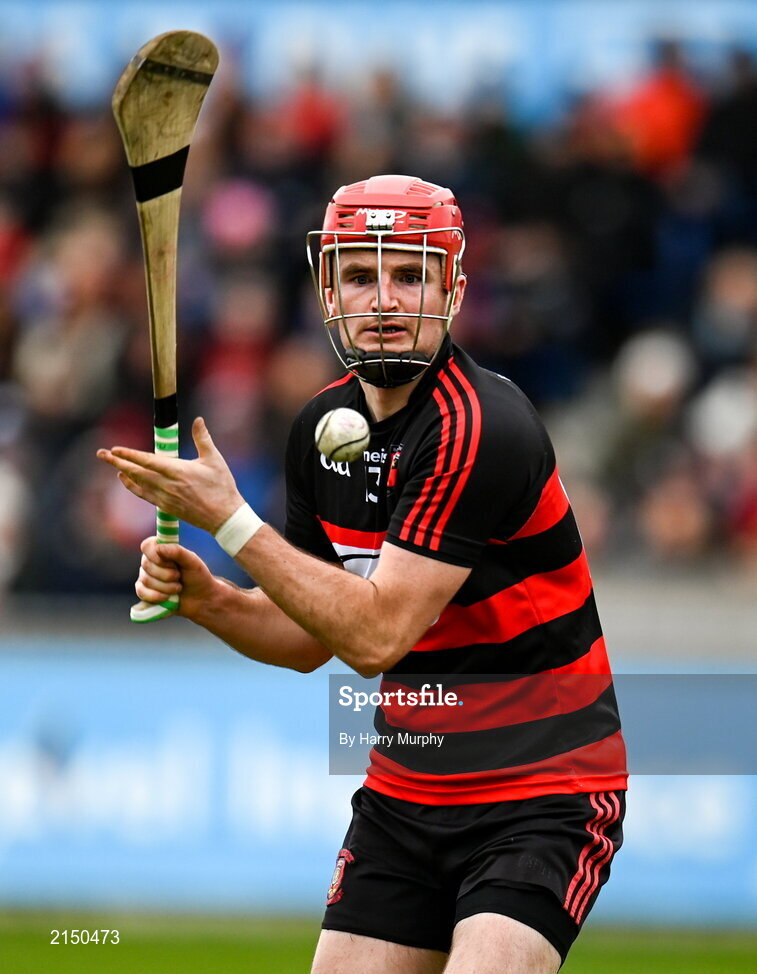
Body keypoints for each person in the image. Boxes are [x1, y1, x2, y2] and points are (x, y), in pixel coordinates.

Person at [98, 174, 627, 974]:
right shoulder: (320, 427)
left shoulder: (478, 428)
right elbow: (310, 637)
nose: (382, 299)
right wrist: (208, 599)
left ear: (452, 291)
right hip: (404, 795)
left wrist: (231, 523)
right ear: (327, 292)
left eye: (409, 274)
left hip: (541, 791)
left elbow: (376, 636)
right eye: (358, 275)